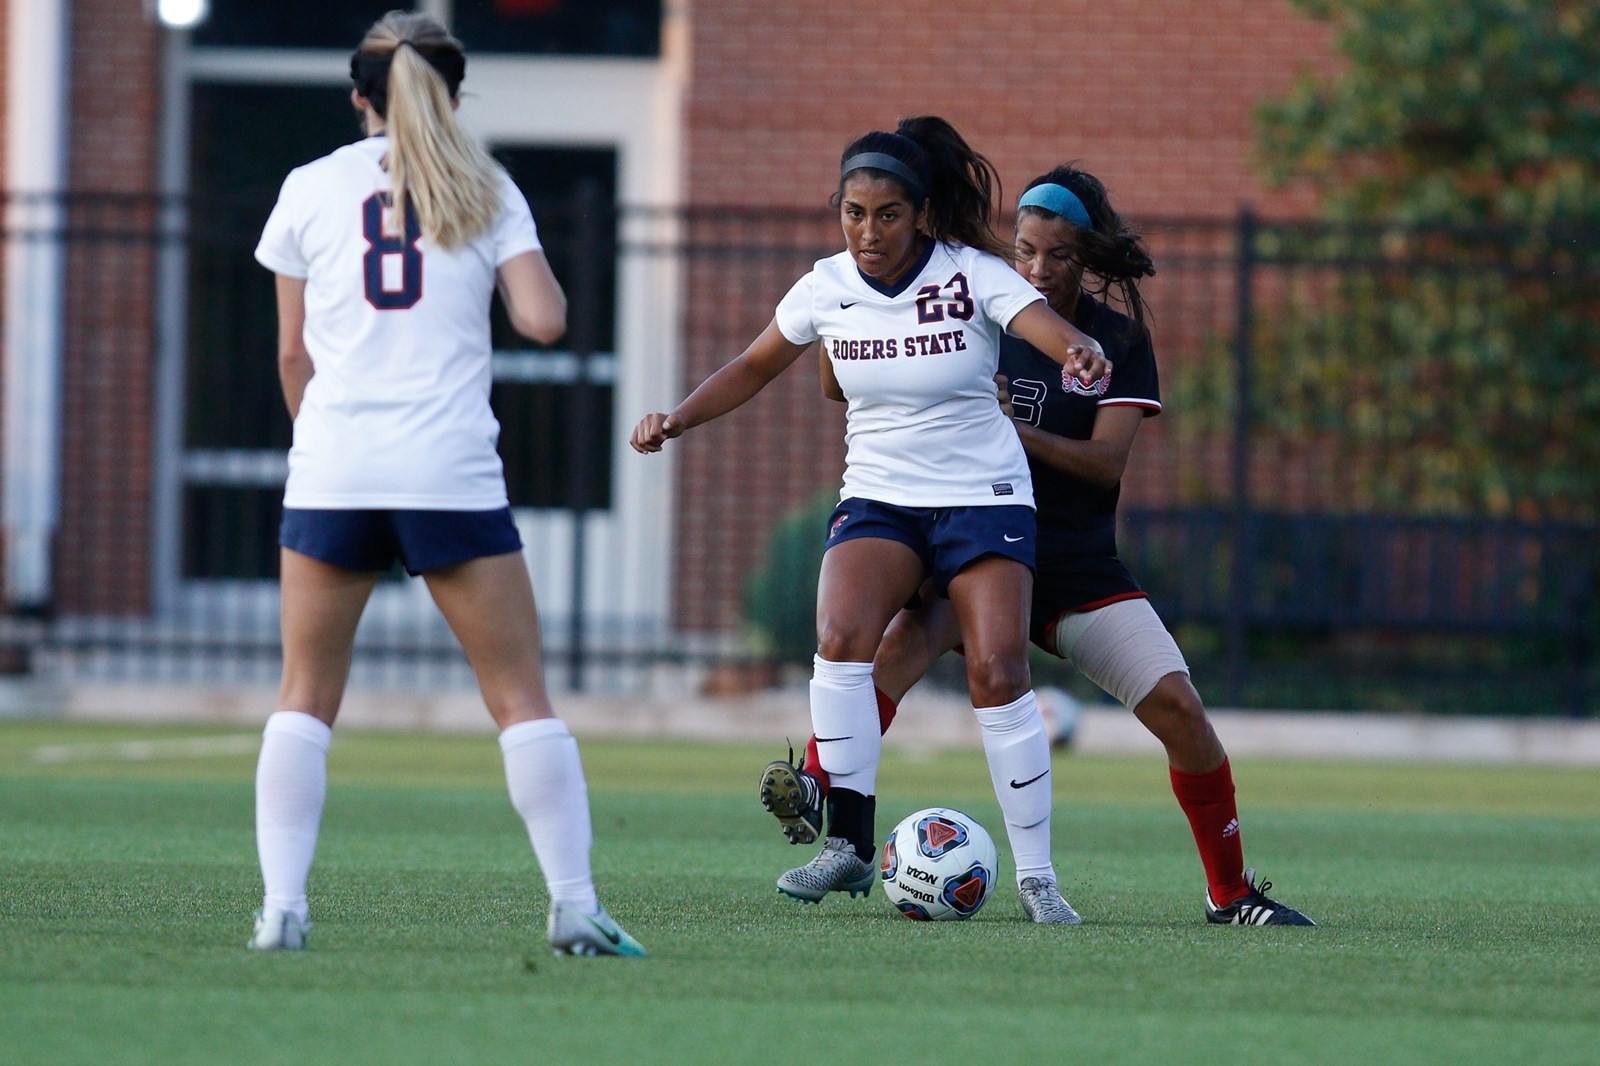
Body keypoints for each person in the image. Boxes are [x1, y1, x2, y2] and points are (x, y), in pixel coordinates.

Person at [759, 164, 1315, 926]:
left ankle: (1230, 893)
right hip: (969, 546)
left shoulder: (1113, 338)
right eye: (1024, 251)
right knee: (880, 657)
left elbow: (1104, 462)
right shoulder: (976, 305)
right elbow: (844, 375)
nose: (1038, 270)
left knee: (1182, 710)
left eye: (1057, 256)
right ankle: (823, 794)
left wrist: (1008, 427)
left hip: (1070, 566)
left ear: (1086, 258)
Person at [633, 117, 1108, 925]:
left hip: (982, 495)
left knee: (998, 671)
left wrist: (1077, 349)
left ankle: (1037, 879)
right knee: (840, 638)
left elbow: (1041, 325)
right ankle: (848, 848)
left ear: (921, 214)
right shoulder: (825, 286)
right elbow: (753, 365)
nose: (868, 231)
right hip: (881, 496)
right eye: (853, 213)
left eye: (887, 214)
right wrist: (677, 418)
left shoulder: (972, 274)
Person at [248, 11, 644, 957]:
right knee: (518, 696)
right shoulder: (484, 182)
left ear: (359, 99)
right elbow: (545, 319)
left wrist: (330, 444)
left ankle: (283, 913)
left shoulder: (310, 186)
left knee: (304, 693)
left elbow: (292, 354)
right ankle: (574, 905)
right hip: (449, 471)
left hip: (335, 466)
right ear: (455, 96)